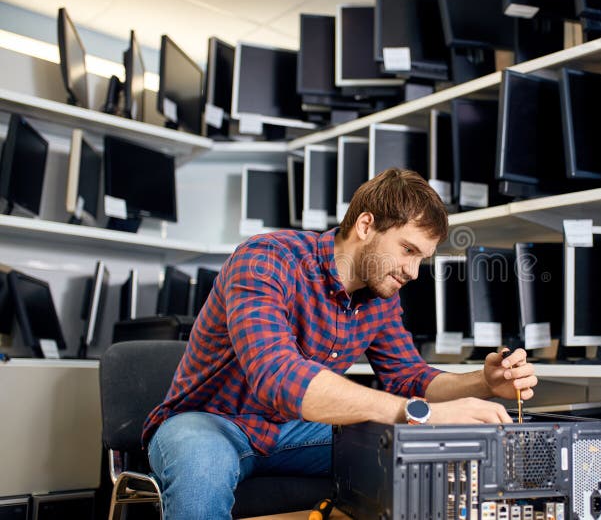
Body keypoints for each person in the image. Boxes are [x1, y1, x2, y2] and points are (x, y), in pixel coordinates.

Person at [143, 168, 538, 519]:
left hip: (290, 432)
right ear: (366, 225)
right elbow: (280, 378)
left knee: (420, 454)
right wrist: (423, 414)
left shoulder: (380, 297)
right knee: (202, 473)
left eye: (423, 259)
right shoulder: (266, 259)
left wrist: (484, 383)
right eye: (408, 250)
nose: (414, 272)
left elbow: (409, 377)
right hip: (207, 421)